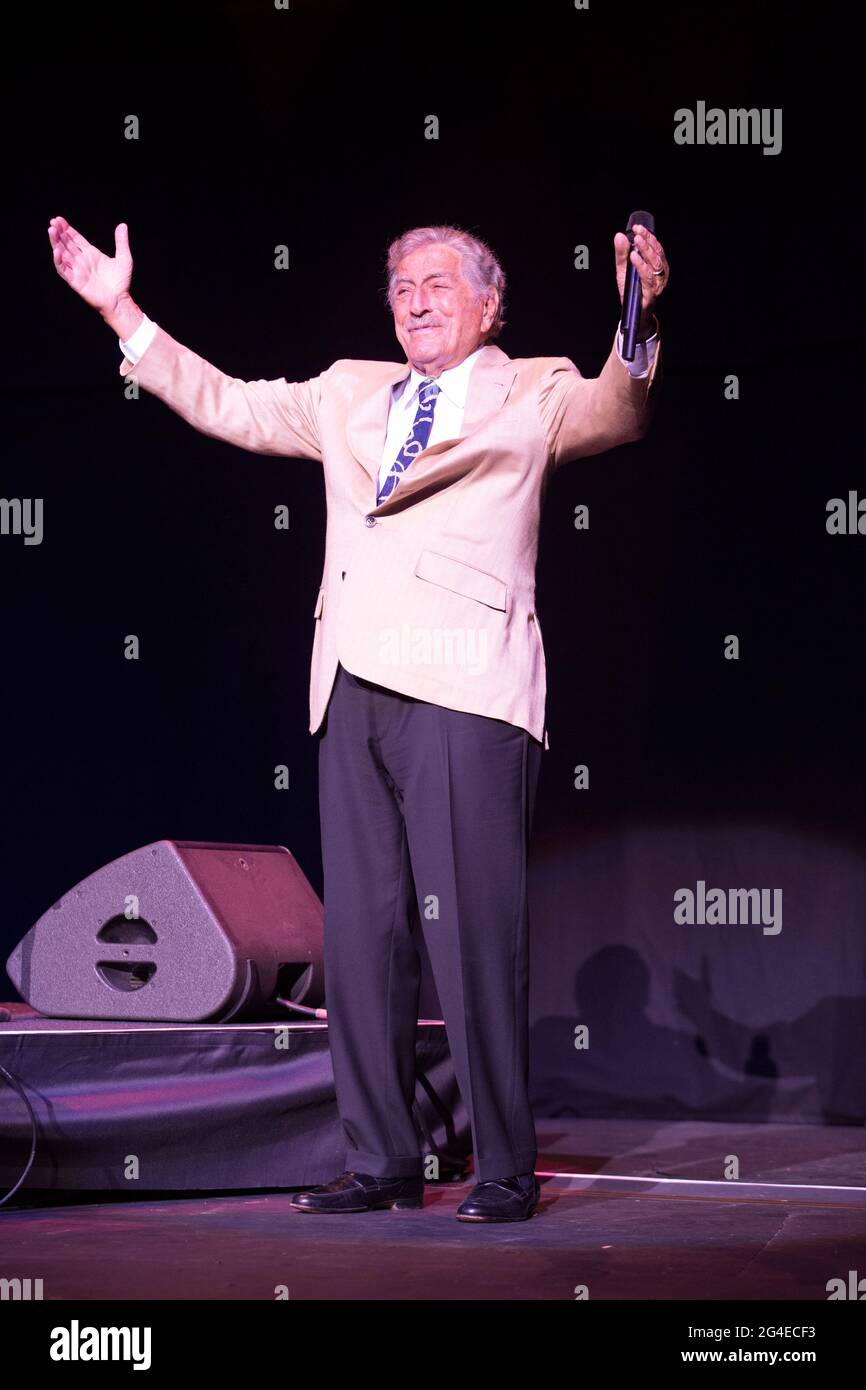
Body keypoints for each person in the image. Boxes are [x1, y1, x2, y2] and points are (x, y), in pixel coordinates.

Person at [48, 215, 668, 1221]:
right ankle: (382, 1161)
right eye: (399, 287)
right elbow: (231, 406)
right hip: (349, 680)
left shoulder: (535, 388)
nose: (414, 300)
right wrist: (120, 310)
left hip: (466, 685)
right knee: (367, 939)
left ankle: (504, 1165)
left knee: (470, 930)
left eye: (435, 284)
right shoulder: (347, 393)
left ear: (487, 305)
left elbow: (619, 408)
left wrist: (637, 308)